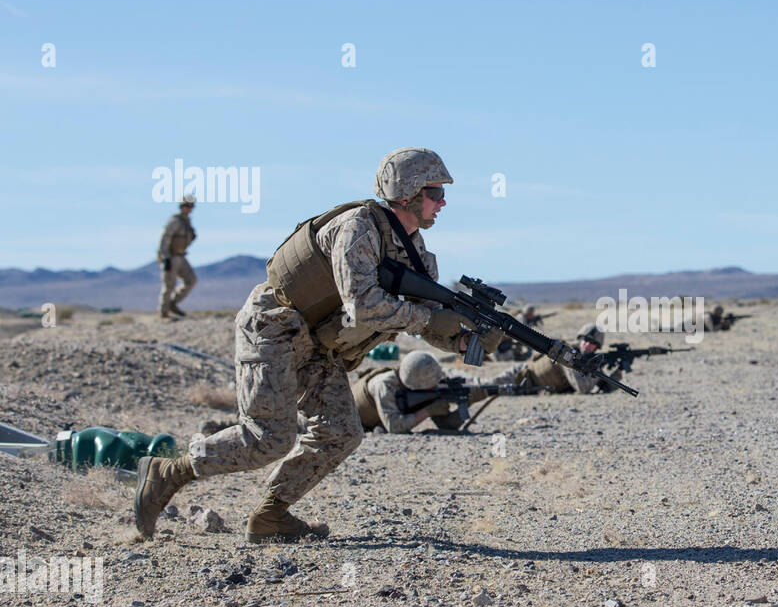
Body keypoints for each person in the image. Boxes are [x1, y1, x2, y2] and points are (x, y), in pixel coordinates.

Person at [132, 147, 502, 544]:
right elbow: (363, 305)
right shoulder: (358, 227)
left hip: (319, 346)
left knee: (342, 431)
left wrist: (462, 338)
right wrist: (431, 320)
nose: (442, 202)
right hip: (274, 328)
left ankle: (271, 516)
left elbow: (421, 318)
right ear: (407, 191)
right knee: (266, 439)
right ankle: (167, 472)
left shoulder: (421, 260)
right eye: (434, 192)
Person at [353, 350, 526, 433]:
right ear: (417, 384)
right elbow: (394, 427)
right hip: (355, 425)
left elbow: (447, 426)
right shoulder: (385, 385)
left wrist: (472, 398)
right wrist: (428, 411)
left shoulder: (421, 382)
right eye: (431, 385)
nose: (435, 386)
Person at [515, 323, 618, 394]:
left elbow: (607, 387)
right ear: (580, 338)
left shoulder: (589, 361)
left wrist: (619, 371)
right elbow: (582, 388)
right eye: (586, 340)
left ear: (597, 347)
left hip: (531, 387)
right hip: (520, 374)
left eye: (593, 343)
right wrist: (597, 370)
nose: (587, 344)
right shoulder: (567, 353)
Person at [157, 195, 198, 318]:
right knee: (169, 285)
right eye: (186, 206)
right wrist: (166, 257)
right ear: (181, 206)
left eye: (191, 206)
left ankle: (172, 303)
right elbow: (165, 239)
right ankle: (163, 312)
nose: (188, 208)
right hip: (171, 257)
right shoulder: (175, 221)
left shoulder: (187, 222)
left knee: (191, 280)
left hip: (181, 256)